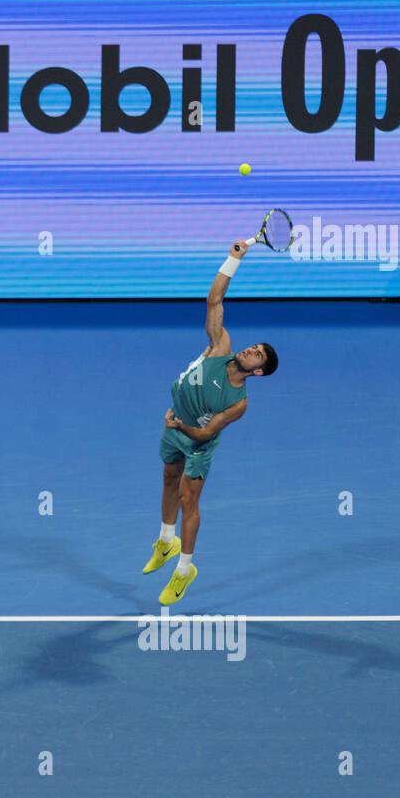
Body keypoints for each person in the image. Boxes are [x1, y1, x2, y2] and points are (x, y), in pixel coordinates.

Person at [143, 237, 279, 605]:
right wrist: (233, 260)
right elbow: (214, 301)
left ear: (259, 372)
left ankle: (185, 569)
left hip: (195, 438)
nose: (251, 350)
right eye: (254, 346)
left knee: (190, 499)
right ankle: (166, 541)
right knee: (168, 476)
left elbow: (205, 432)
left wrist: (179, 428)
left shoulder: (239, 404)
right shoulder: (220, 346)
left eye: (258, 355)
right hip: (174, 424)